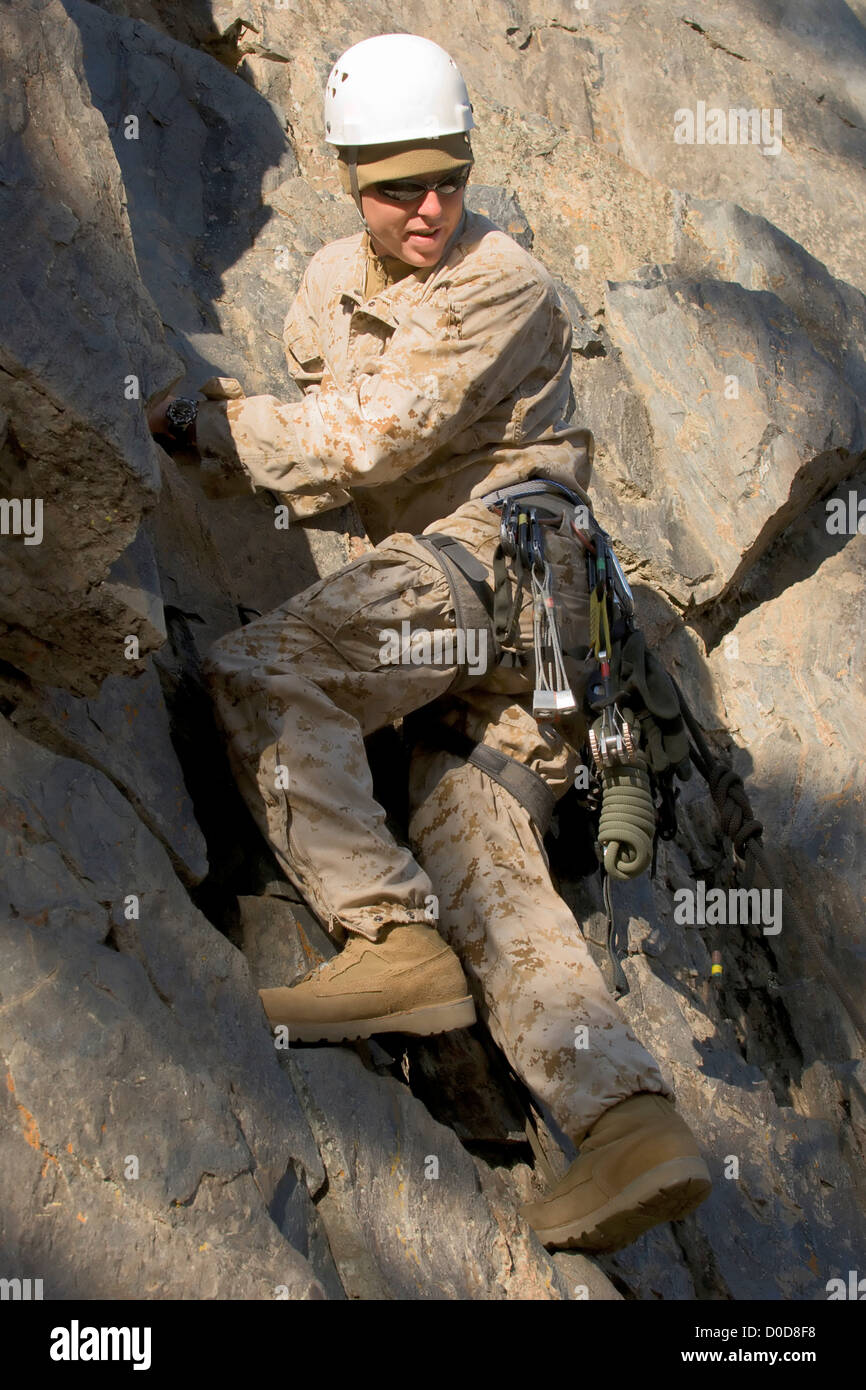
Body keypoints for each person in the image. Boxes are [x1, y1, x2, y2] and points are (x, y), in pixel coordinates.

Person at [148, 33, 711, 1253]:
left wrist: (207, 427)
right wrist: (260, 437)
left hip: (512, 576)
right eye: (398, 185)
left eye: (446, 178)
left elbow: (362, 439)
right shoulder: (322, 292)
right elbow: (330, 445)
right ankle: (624, 1123)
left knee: (260, 667)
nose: (430, 206)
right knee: (471, 836)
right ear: (349, 176)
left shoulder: (500, 281)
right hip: (503, 634)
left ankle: (388, 938)